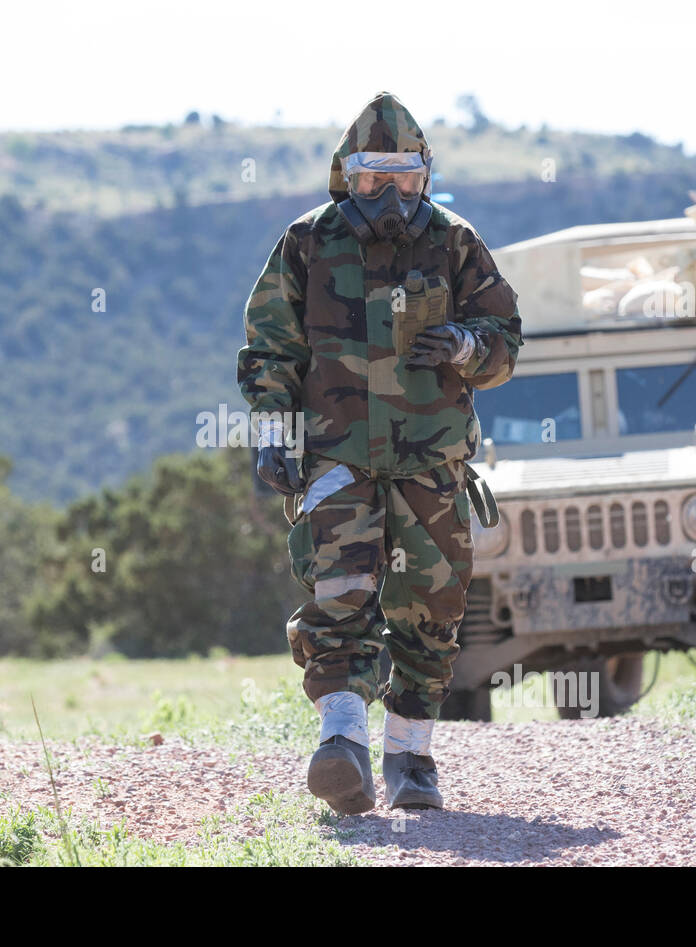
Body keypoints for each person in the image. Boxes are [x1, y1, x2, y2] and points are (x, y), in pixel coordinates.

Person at [237, 92, 523, 813]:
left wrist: (465, 345)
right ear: (346, 175)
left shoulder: (455, 241)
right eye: (373, 176)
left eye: (404, 175)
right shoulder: (308, 241)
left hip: (431, 460)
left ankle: (411, 760)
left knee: (431, 607)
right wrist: (273, 433)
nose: (390, 191)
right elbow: (270, 347)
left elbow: (505, 342)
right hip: (336, 456)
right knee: (340, 597)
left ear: (425, 175)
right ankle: (342, 747)